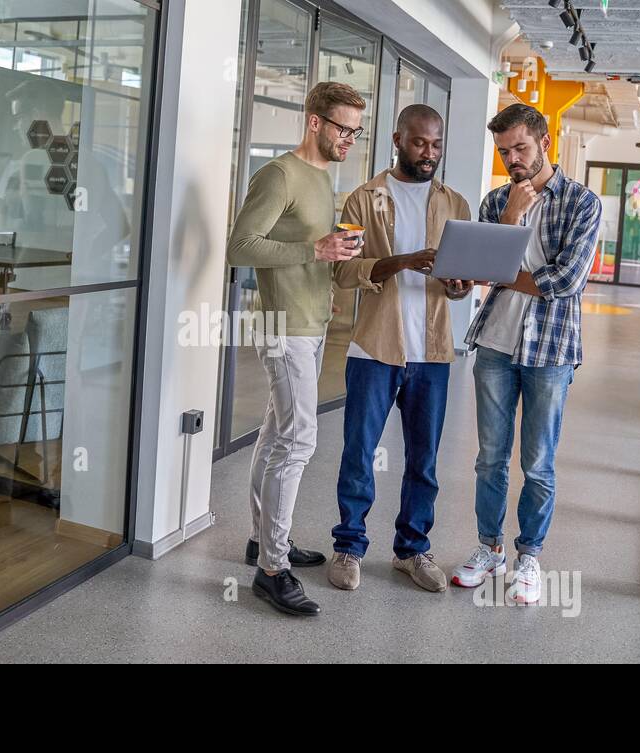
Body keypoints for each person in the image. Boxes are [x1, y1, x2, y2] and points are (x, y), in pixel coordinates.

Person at [449, 103, 602, 605]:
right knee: (489, 459)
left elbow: (565, 281)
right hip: (494, 343)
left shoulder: (582, 204)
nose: (512, 159)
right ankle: (488, 548)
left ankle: (529, 556)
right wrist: (512, 218)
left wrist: (496, 268)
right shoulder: (497, 201)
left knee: (538, 463)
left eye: (521, 148)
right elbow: (475, 268)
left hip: (552, 350)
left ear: (545, 142)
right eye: (504, 151)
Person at [226, 81, 367, 617]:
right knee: (299, 440)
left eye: (356, 131)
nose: (348, 139)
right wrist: (317, 246)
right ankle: (272, 568)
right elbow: (239, 247)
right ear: (314, 122)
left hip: (309, 323)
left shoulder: (323, 177)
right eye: (342, 128)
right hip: (283, 329)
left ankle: (262, 542)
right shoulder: (279, 174)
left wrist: (328, 271)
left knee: (273, 434)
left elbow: (308, 253)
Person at [327, 104, 473, 593]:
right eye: (418, 143)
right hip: (374, 348)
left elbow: (461, 287)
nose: (428, 153)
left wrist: (457, 285)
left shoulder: (455, 203)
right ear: (397, 139)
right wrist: (403, 261)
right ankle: (348, 547)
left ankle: (411, 550)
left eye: (436, 144)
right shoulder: (363, 199)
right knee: (359, 452)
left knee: (424, 459)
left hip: (432, 353)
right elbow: (345, 273)